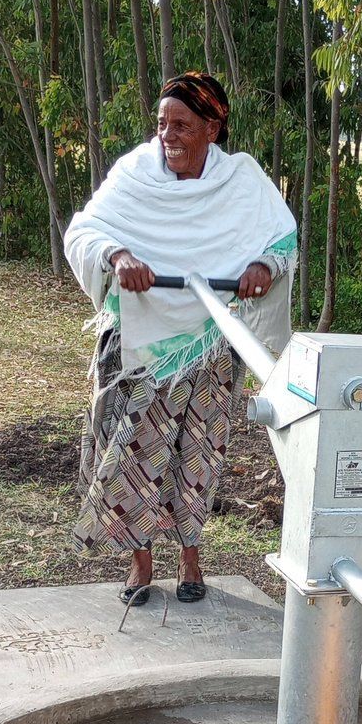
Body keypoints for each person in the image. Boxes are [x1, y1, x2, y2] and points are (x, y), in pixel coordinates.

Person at [65, 72, 296, 605]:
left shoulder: (241, 180)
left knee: (198, 453)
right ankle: (140, 563)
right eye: (163, 123)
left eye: (182, 125)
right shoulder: (136, 173)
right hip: (141, 345)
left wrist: (263, 264)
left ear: (212, 129)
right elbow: (85, 229)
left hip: (209, 343)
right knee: (133, 454)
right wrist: (117, 256)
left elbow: (282, 237)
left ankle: (191, 559)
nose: (167, 135)